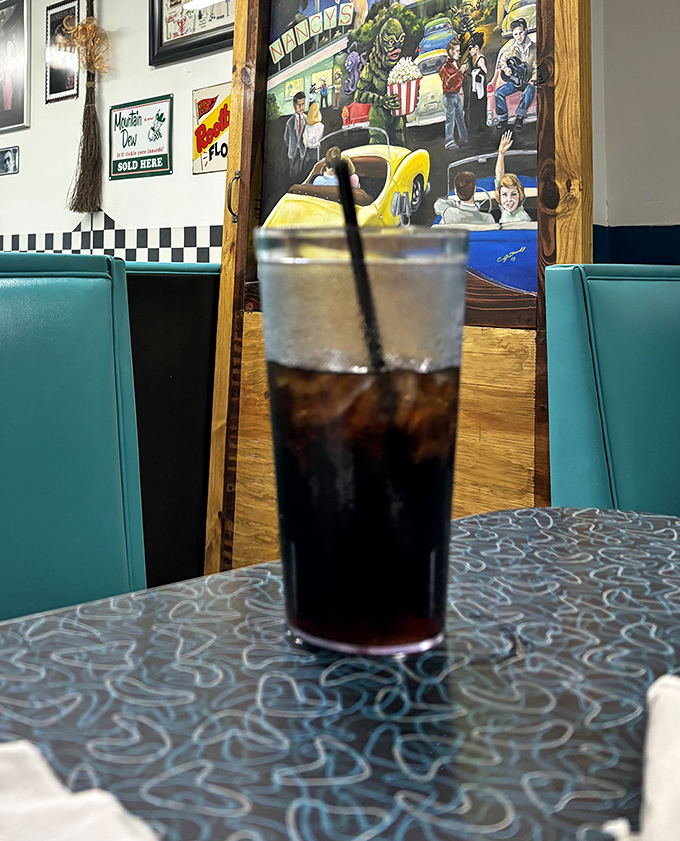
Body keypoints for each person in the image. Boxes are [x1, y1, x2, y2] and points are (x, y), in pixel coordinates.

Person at [495, 18, 536, 132]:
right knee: (499, 93)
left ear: (525, 31)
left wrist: (532, 80)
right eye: (515, 34)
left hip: (528, 81)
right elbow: (502, 60)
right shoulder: (511, 49)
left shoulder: (534, 48)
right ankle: (503, 119)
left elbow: (536, 67)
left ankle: (519, 117)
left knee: (529, 91)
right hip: (515, 81)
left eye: (520, 33)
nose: (518, 37)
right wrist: (506, 68)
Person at [495, 130, 531, 223]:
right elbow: (499, 175)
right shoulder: (504, 209)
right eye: (504, 194)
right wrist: (501, 153)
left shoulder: (523, 219)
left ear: (520, 195)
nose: (509, 199)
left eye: (513, 194)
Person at [439, 38, 468, 150]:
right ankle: (449, 141)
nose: (458, 53)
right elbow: (449, 82)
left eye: (458, 50)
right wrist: (460, 72)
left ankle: (463, 137)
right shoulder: (445, 67)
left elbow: (458, 79)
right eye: (456, 51)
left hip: (455, 94)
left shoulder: (456, 63)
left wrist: (463, 72)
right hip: (449, 95)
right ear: (450, 52)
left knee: (460, 116)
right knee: (450, 119)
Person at [465, 31, 487, 139]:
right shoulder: (474, 59)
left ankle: (478, 127)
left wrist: (476, 72)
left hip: (479, 87)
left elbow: (485, 71)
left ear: (476, 48)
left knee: (477, 106)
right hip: (475, 86)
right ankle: (476, 127)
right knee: (474, 106)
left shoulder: (480, 59)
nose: (470, 51)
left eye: (471, 48)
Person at [283, 91, 308, 183]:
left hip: (304, 151)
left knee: (304, 173)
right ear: (294, 105)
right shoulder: (290, 122)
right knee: (293, 173)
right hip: (293, 152)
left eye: (303, 104)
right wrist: (292, 146)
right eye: (299, 105)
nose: (301, 108)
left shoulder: (307, 119)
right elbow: (286, 138)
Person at [302, 102, 324, 171]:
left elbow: (304, 139)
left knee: (307, 169)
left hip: (307, 152)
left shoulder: (307, 126)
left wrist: (308, 144)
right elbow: (317, 139)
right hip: (315, 151)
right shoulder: (320, 126)